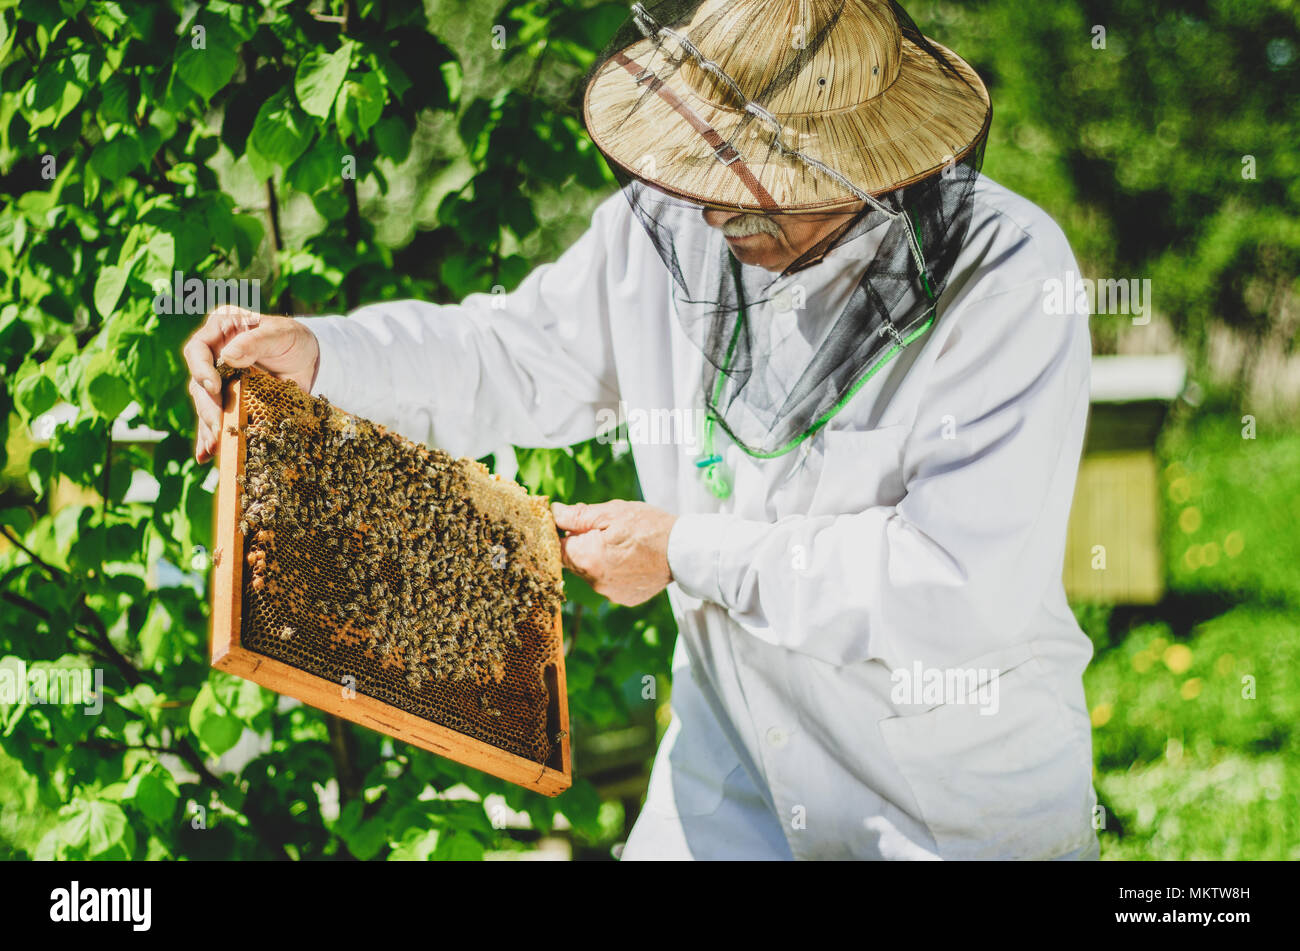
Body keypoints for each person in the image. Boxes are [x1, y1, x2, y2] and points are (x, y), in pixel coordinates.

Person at [184, 0, 1100, 860]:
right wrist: (325, 355)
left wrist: (685, 550)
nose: (716, 210)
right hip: (727, 786)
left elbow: (951, 583)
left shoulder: (1009, 279)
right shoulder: (668, 229)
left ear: (869, 164)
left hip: (946, 808)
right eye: (713, 176)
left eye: (766, 189)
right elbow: (509, 352)